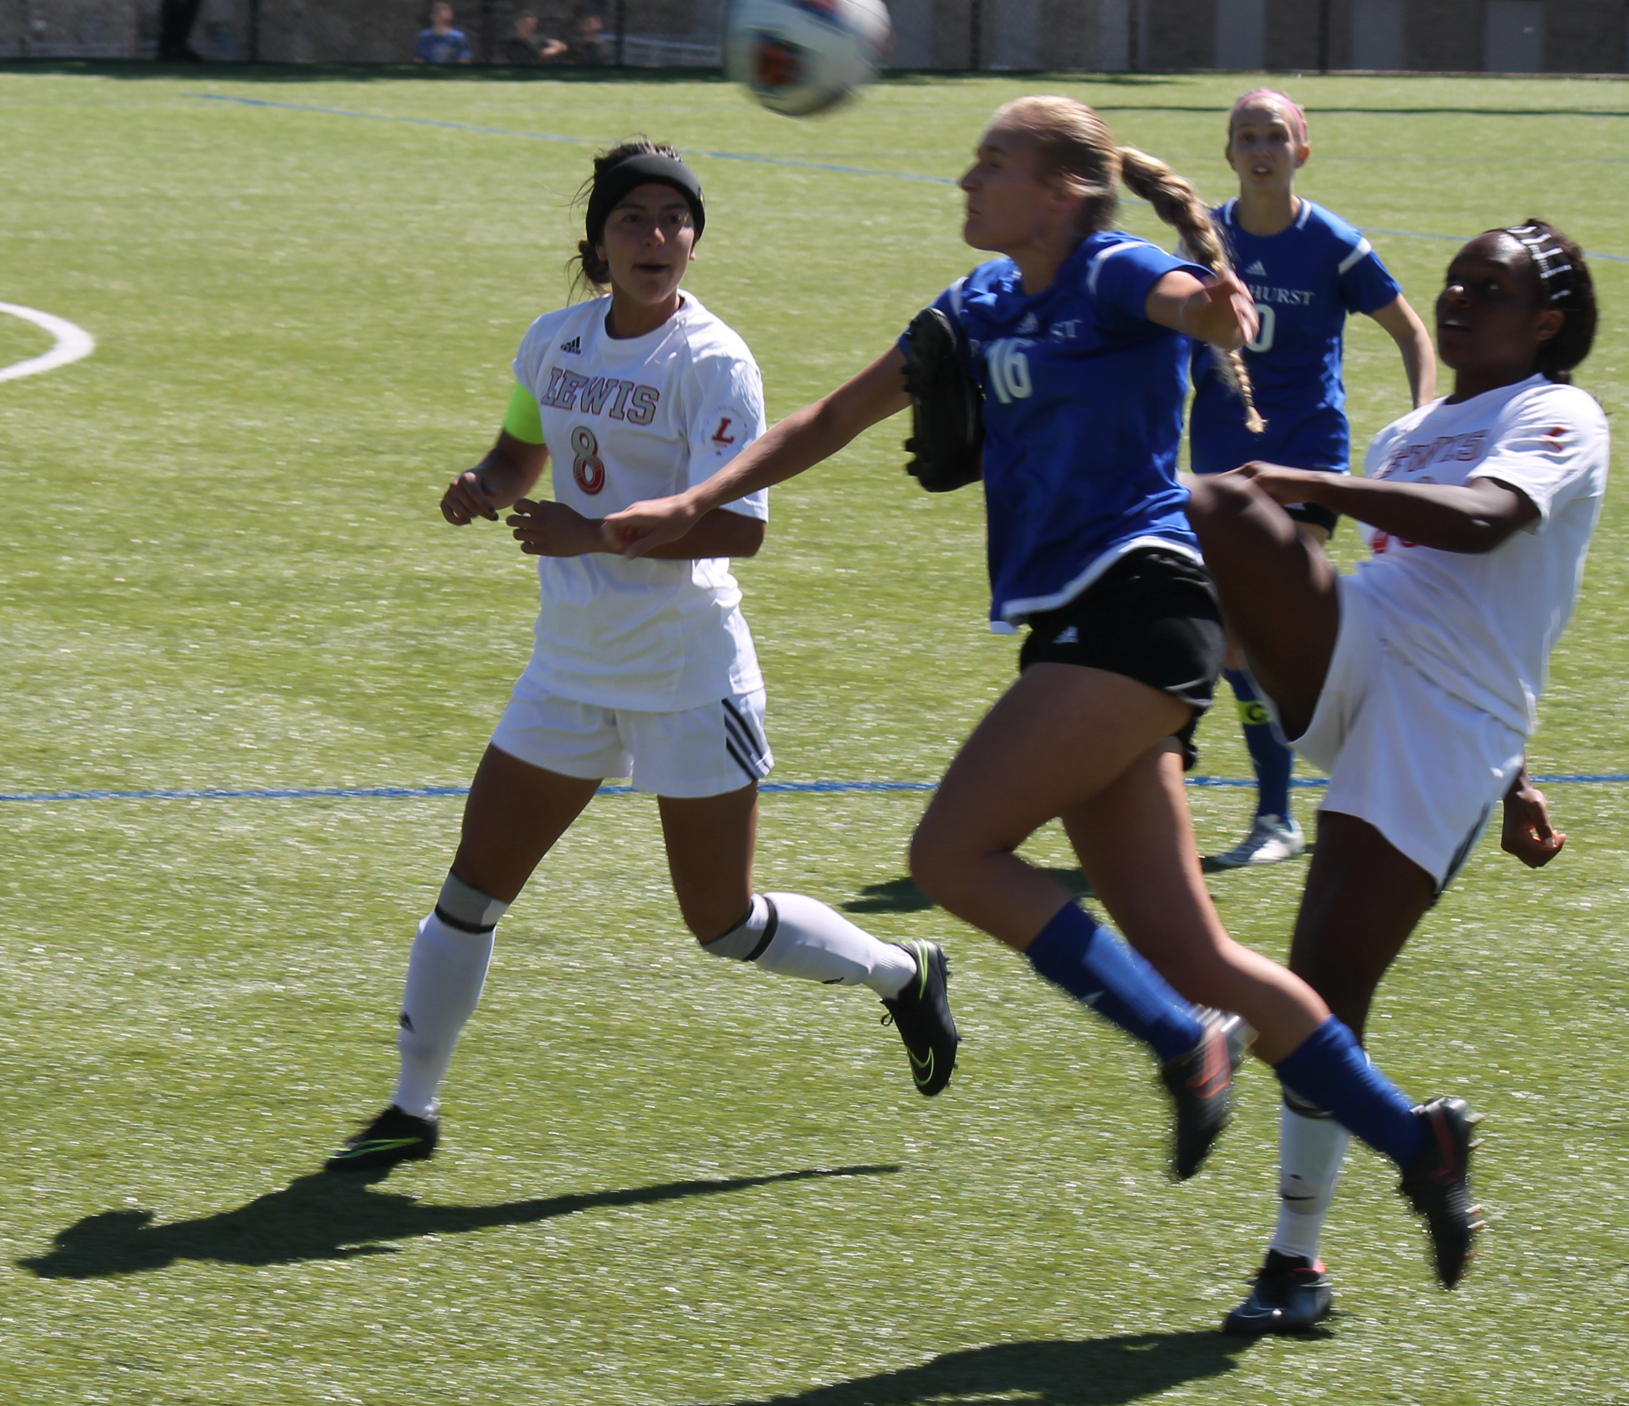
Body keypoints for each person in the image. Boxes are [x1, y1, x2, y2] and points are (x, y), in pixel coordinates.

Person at [600, 97, 1482, 1288]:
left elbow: (1179, 301)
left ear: (1063, 189)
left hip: (1142, 607)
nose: (969, 179)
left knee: (953, 854)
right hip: (1081, 630)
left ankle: (1182, 1048)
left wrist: (1208, 303)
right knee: (1199, 951)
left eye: (994, 163)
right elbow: (833, 416)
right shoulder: (973, 307)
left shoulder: (1113, 265)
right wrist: (697, 504)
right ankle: (1413, 1141)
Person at [324, 139, 959, 1174]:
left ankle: (902, 975)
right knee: (471, 891)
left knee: (721, 921)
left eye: (675, 220)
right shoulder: (554, 342)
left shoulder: (713, 362)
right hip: (568, 667)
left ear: (696, 241)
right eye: (635, 220)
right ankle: (411, 1108)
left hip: (685, 669)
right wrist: (483, 485)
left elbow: (742, 527)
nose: (658, 237)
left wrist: (591, 530)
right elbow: (522, 447)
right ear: (598, 242)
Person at [1186, 219, 1604, 1333]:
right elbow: (1412, 578)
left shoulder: (1559, 415)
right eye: (1454, 283)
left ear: (1547, 322)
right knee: (1217, 510)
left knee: (1321, 996)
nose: (1457, 299)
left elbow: (1487, 525)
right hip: (1359, 652)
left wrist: (1508, 775)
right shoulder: (1411, 425)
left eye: (1489, 288)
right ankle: (1157, 718)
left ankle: (1297, 1266)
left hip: (1446, 723)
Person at [1191, 89, 1436, 869]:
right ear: (1228, 155)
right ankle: (1285, 808)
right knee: (1232, 645)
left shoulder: (1332, 242)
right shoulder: (1209, 239)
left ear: (1302, 150)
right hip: (1221, 456)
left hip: (1305, 456)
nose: (1260, 148)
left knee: (1254, 635)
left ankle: (1281, 814)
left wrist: (1420, 424)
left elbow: (1410, 331)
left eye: (1274, 135)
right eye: (1245, 136)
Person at [413, 1, 472, 66]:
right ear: (432, 16)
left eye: (443, 16)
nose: (440, 19)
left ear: (450, 16)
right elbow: (419, 59)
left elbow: (464, 59)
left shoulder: (458, 37)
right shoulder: (424, 37)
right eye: (438, 15)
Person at [499, 11, 567, 65]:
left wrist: (547, 52)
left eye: (530, 23)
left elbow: (562, 46)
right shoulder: (508, 41)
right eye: (524, 22)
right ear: (517, 22)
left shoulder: (539, 39)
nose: (527, 25)